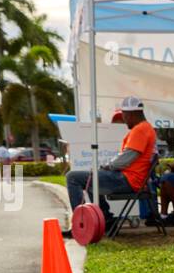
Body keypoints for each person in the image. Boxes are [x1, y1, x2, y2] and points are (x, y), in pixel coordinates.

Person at [64, 96, 156, 230]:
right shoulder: (146, 128)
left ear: (132, 113)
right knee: (91, 181)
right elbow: (129, 157)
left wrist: (108, 166)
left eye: (124, 115)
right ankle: (106, 220)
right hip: (131, 178)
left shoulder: (140, 130)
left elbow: (127, 158)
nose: (123, 119)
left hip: (127, 179)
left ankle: (81, 224)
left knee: (72, 177)